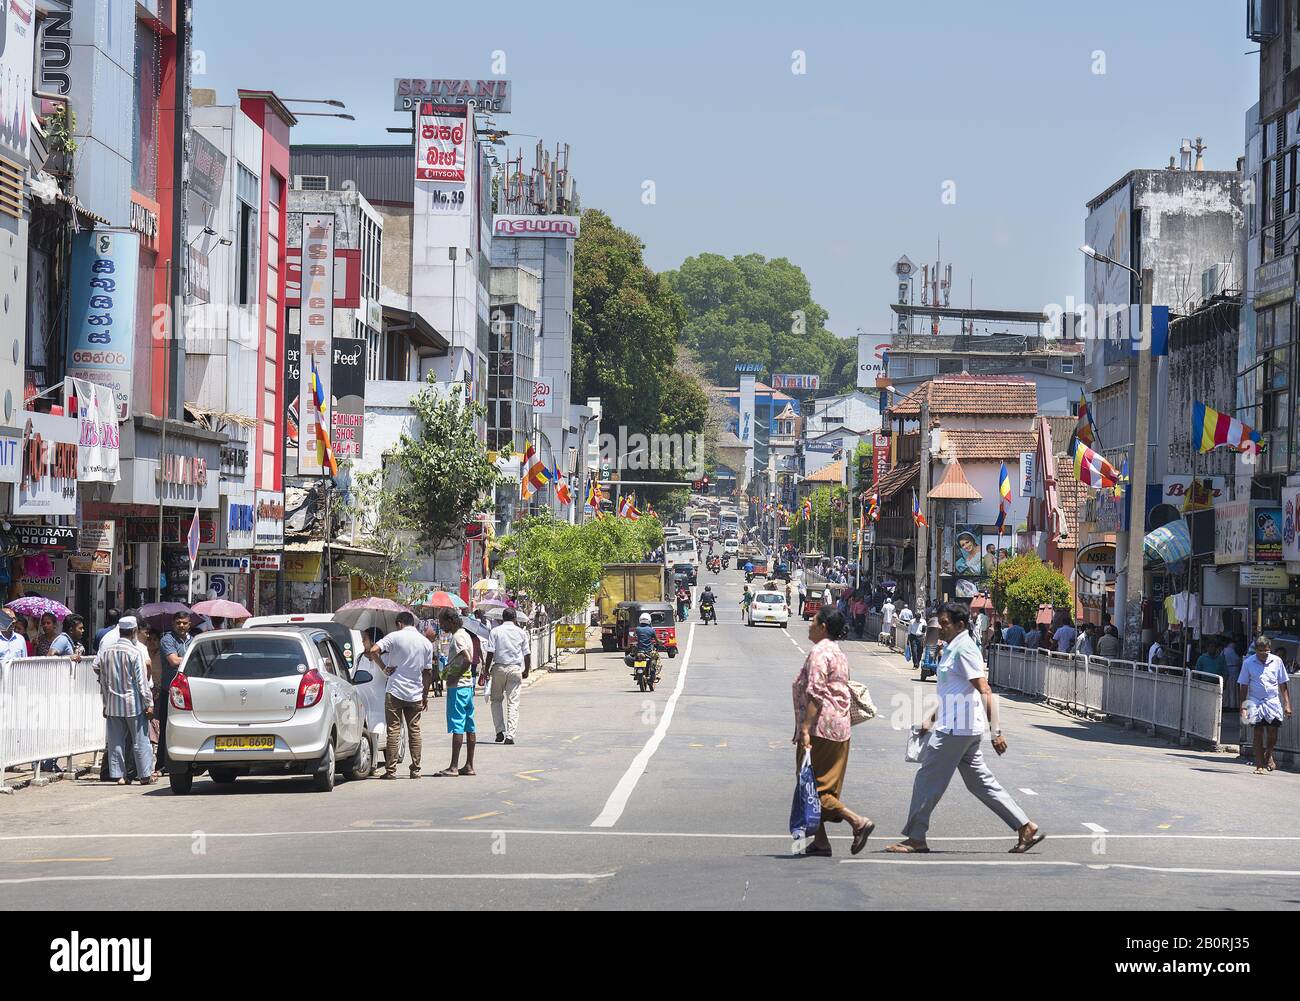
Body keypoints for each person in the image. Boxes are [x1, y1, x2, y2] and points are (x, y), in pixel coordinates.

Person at [888, 602, 1044, 855]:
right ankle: (1024, 826)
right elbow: (954, 692)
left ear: (960, 625)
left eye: (945, 624)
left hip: (956, 731)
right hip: (959, 727)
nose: (941, 628)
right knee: (980, 783)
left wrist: (997, 732)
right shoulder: (951, 648)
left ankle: (916, 837)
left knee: (926, 781)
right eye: (939, 623)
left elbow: (984, 689)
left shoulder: (965, 649)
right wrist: (931, 718)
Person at [791, 606, 875, 857]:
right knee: (814, 784)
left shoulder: (820, 652)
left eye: (813, 620)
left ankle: (857, 821)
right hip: (839, 726)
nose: (809, 624)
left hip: (821, 728)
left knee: (814, 788)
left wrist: (805, 727)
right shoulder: (838, 652)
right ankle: (820, 842)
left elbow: (815, 692)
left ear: (823, 626)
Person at [365, 610, 434, 779]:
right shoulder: (426, 643)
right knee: (414, 731)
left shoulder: (394, 637)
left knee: (394, 730)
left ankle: (391, 770)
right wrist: (425, 694)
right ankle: (416, 769)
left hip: (395, 690)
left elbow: (373, 650)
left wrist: (384, 667)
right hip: (416, 692)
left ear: (399, 624)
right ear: (413, 624)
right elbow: (428, 672)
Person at [94, 616, 155, 786]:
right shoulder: (135, 653)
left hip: (113, 704)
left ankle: (120, 776)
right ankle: (144, 775)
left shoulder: (106, 653)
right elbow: (142, 683)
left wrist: (105, 704)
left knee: (116, 742)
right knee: (140, 740)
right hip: (133, 705)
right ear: (134, 632)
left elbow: (103, 681)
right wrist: (149, 703)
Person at [1237, 635, 1293, 774]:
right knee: (1258, 732)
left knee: (1273, 732)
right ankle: (1259, 765)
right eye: (1260, 652)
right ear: (1256, 650)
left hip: (1272, 701)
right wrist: (1243, 706)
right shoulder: (1248, 663)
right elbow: (1243, 685)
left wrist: (1287, 704)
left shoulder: (1277, 661)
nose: (1264, 655)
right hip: (1255, 701)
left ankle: (1268, 754)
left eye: (1266, 652)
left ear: (1269, 650)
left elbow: (1282, 684)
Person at [435, 608, 477, 777]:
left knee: (458, 725)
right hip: (467, 687)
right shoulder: (465, 634)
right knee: (469, 725)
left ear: (450, 621)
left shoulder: (458, 636)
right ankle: (469, 765)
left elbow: (467, 659)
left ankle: (454, 766)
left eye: (442, 622)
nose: (441, 625)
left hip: (458, 686)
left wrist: (455, 676)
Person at [481, 607, 531, 745]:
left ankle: (499, 731)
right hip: (515, 669)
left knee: (496, 700)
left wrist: (486, 670)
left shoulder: (495, 632)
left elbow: (490, 652)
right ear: (515, 618)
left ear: (502, 618)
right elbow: (527, 654)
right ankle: (510, 735)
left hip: (499, 668)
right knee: (513, 702)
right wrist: (526, 670)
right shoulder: (521, 633)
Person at [157, 611, 195, 775]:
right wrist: (192, 657)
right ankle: (162, 764)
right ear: (173, 624)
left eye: (184, 623)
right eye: (178, 622)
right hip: (170, 691)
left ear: (189, 624)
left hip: (189, 691)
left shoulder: (192, 640)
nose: (181, 625)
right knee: (167, 728)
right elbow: (173, 661)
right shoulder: (167, 639)